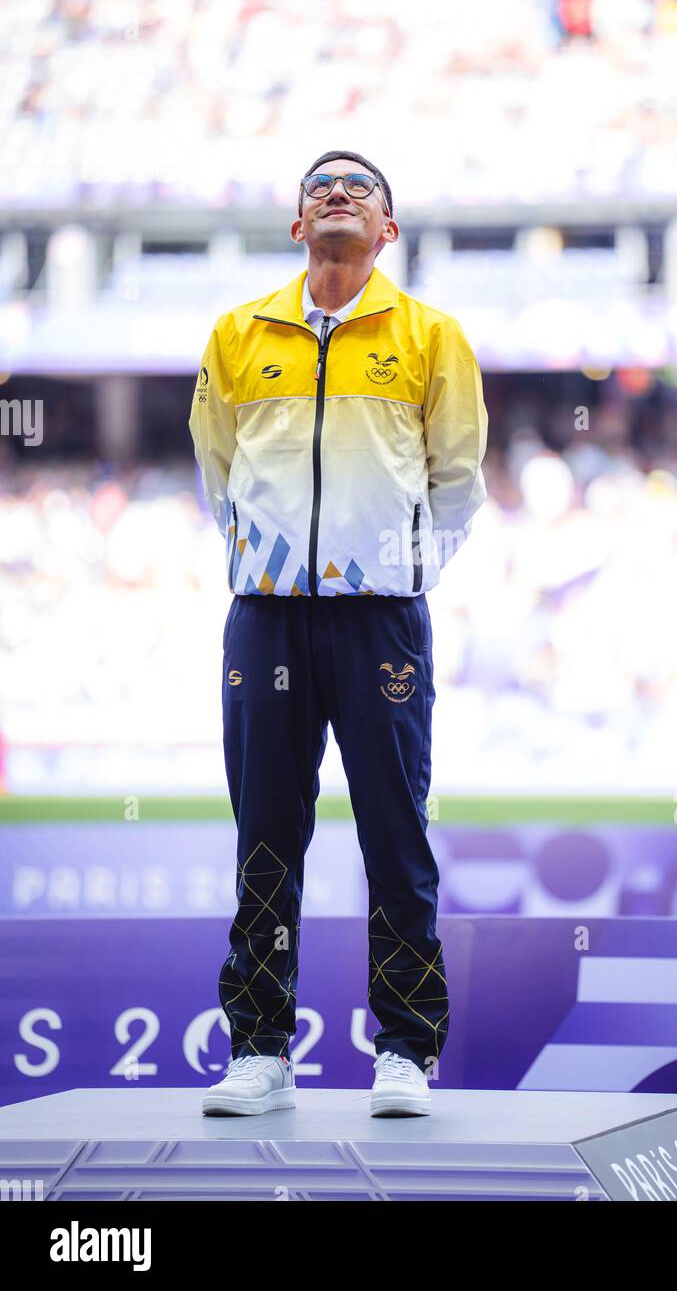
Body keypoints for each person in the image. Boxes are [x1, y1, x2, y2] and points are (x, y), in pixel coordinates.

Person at [189, 150, 488, 1117]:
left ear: (388, 230)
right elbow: (217, 466)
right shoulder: (238, 333)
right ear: (296, 224)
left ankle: (404, 1050)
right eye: (321, 185)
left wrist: (399, 571)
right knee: (265, 836)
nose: (339, 194)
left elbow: (459, 477)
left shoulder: (430, 335)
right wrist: (265, 562)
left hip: (380, 622)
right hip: (267, 618)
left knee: (395, 833)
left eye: (361, 188)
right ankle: (261, 1050)